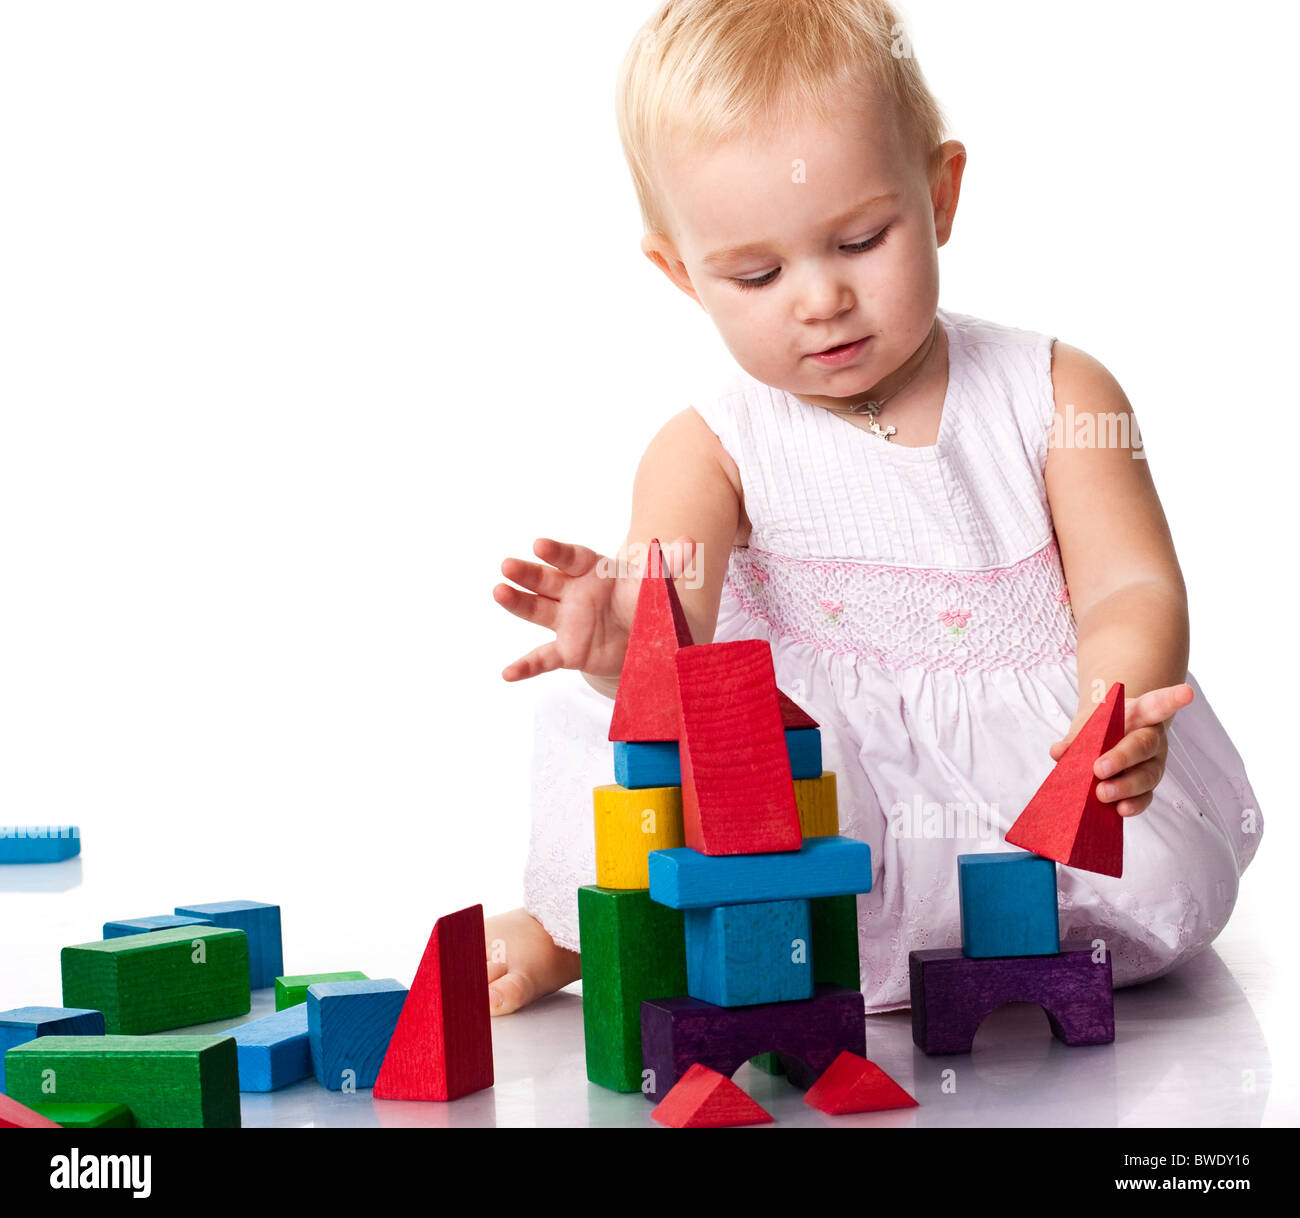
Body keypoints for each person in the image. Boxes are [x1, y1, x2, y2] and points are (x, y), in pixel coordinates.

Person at [485, 0, 1263, 1016]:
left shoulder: (1058, 390)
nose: (818, 300)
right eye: (756, 273)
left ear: (939, 195)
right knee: (693, 847)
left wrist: (1115, 702)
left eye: (859, 239)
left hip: (1028, 776)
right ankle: (571, 940)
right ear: (681, 273)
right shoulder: (709, 445)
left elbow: (1128, 582)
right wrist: (618, 640)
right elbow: (676, 643)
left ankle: (1028, 950)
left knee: (1140, 888)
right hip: (822, 795)